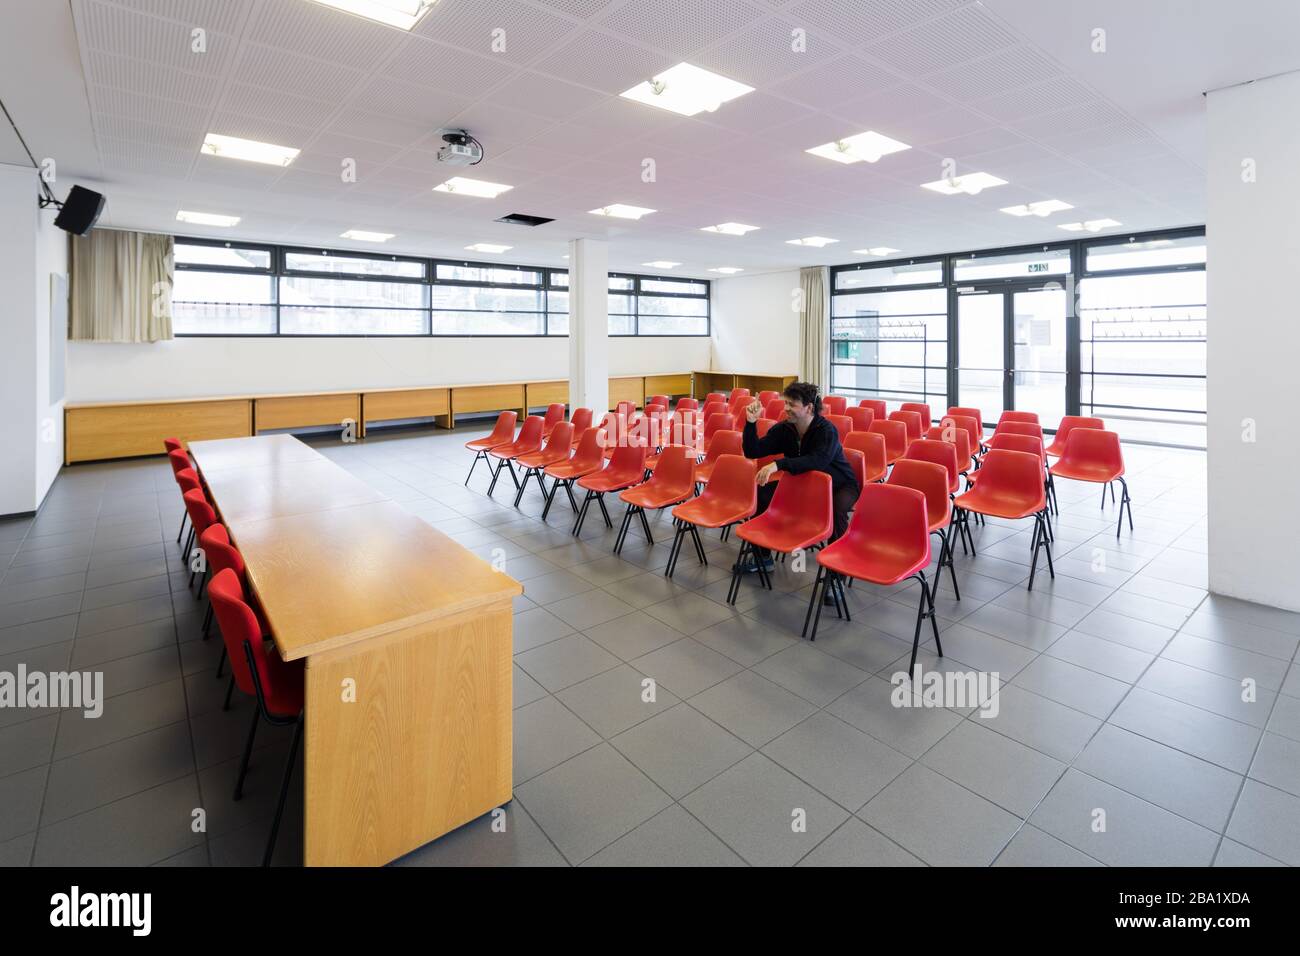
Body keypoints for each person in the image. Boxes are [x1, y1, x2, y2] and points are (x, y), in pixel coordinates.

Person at [737, 382, 860, 590]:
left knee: (837, 509)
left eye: (792, 404)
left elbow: (817, 461)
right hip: (803, 487)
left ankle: (836, 574)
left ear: (809, 408)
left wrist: (779, 464)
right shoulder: (784, 429)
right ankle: (763, 558)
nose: (786, 408)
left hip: (840, 486)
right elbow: (753, 451)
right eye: (786, 403)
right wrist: (750, 423)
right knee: (762, 495)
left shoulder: (826, 430)